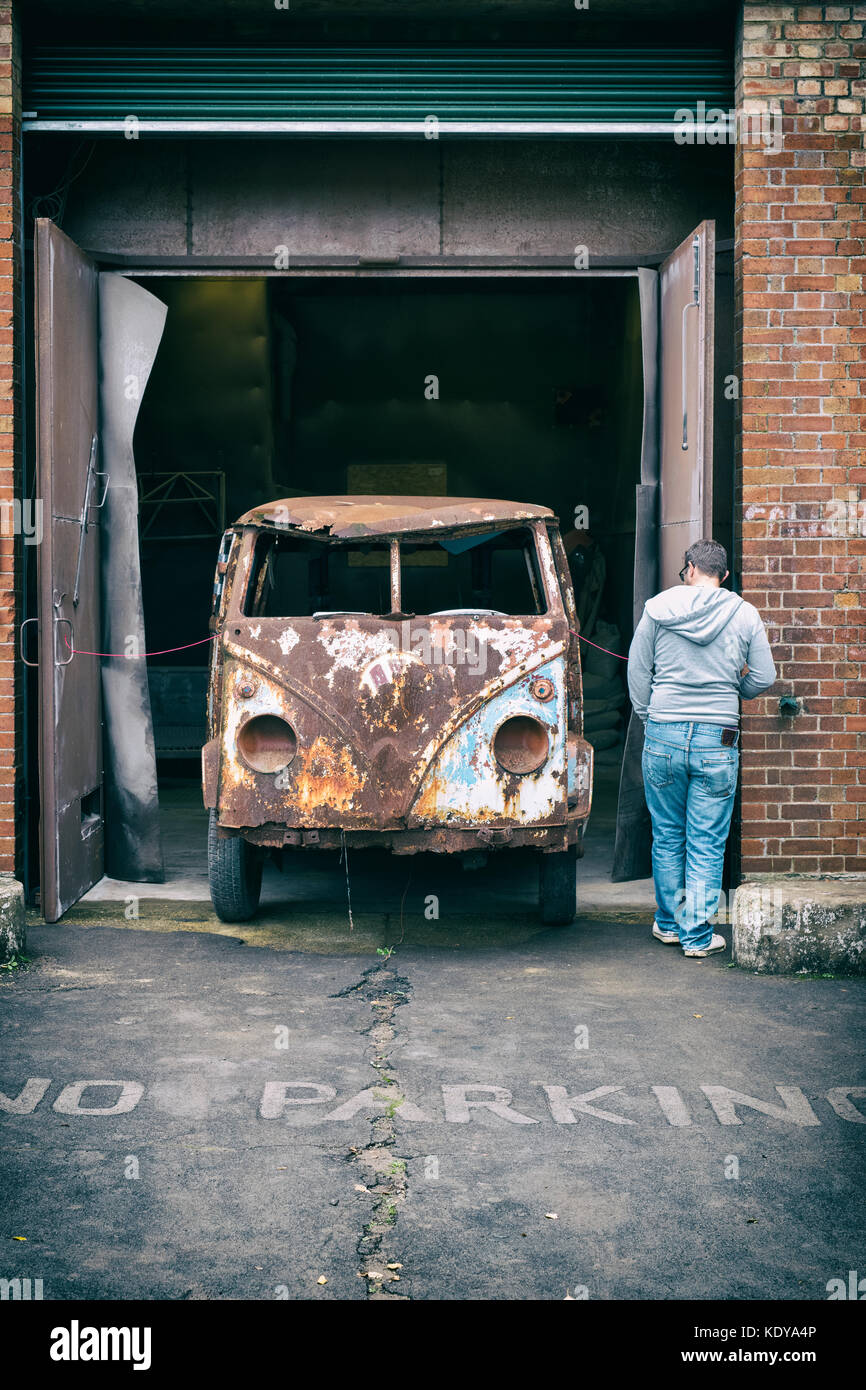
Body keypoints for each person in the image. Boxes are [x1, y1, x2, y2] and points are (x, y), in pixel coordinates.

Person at [627, 539, 776, 958]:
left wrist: (650, 716)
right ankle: (696, 937)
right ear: (723, 575)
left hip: (663, 733)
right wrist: (732, 691)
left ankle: (669, 925)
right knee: (707, 842)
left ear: (689, 568)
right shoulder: (744, 613)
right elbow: (764, 675)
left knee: (668, 836)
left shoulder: (657, 609)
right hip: (718, 738)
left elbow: (638, 670)